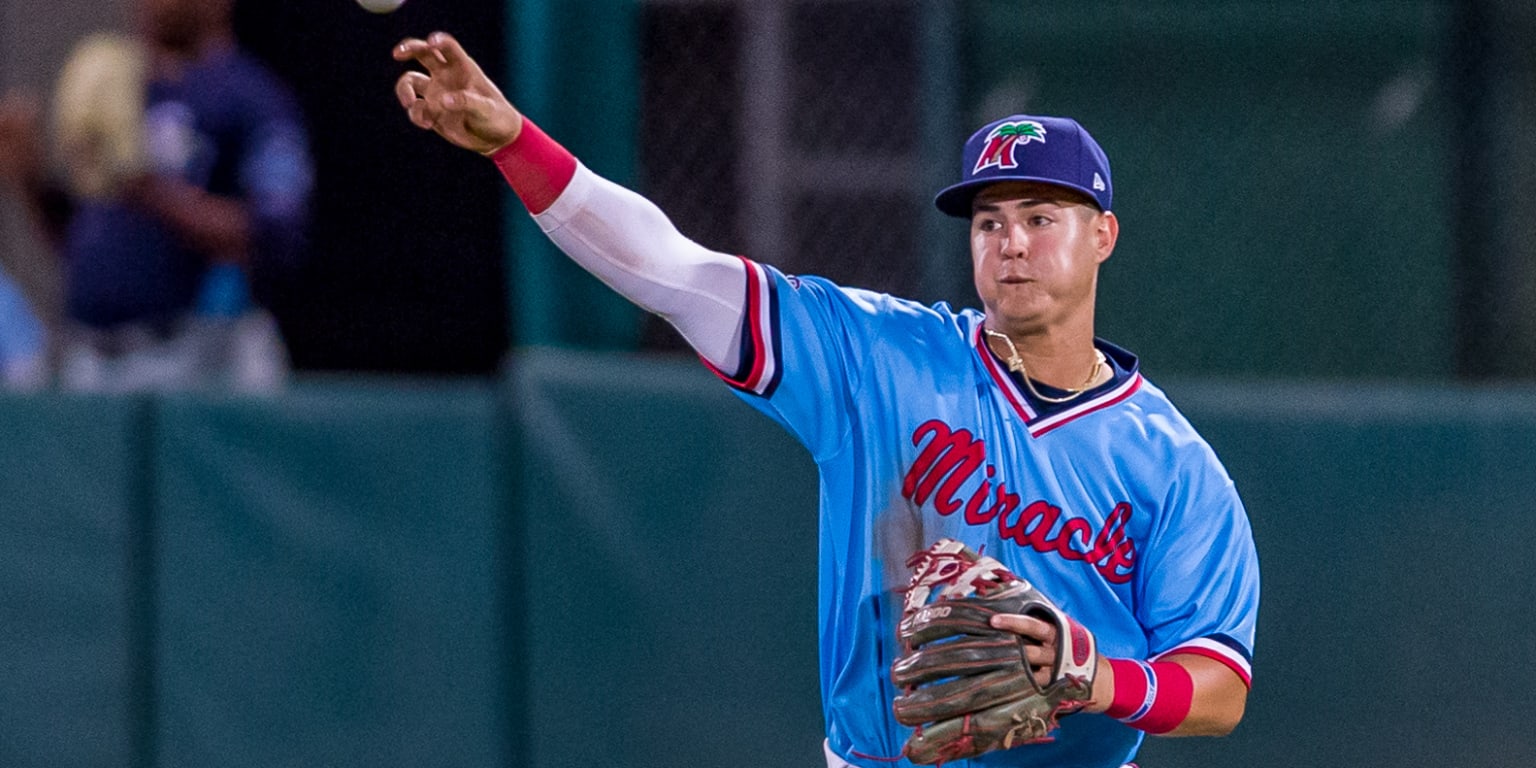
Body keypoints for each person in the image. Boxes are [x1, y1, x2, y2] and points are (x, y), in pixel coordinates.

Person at [393, 31, 1258, 768]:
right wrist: (514, 142)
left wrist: (1096, 676)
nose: (1011, 245)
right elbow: (672, 272)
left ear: (1102, 234)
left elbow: (1218, 685)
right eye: (990, 222)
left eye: (1041, 217)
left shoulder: (1173, 467)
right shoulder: (880, 357)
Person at [0, 0, 311, 393]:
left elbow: (271, 237)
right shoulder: (123, 85)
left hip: (204, 356)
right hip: (96, 360)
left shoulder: (250, 97)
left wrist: (143, 186)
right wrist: (30, 177)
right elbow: (86, 242)